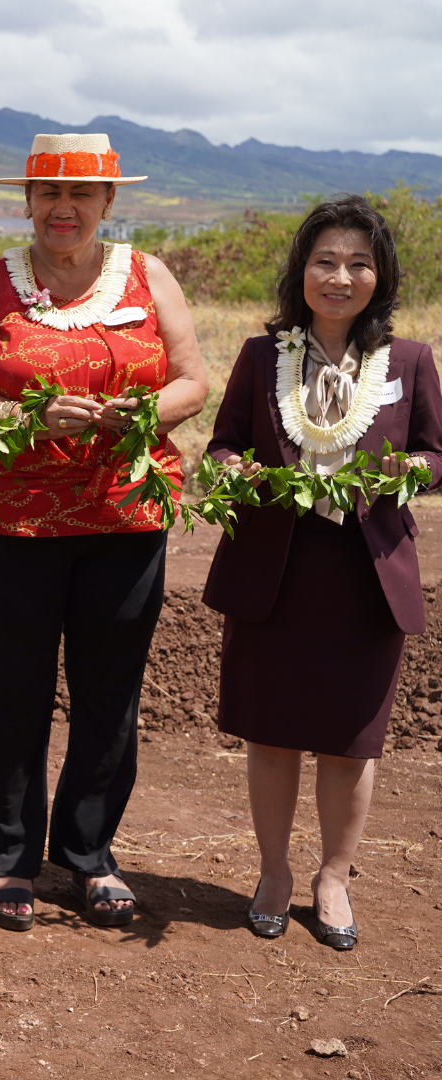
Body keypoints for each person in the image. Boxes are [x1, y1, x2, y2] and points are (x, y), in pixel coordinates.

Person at [0, 134, 206, 931]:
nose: (64, 208)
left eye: (82, 193)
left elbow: (192, 380)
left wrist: (143, 413)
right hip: (14, 519)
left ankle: (89, 854)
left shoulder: (148, 275)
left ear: (108, 201)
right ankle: (9, 860)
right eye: (49, 192)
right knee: (16, 691)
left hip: (125, 515)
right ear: (27, 201)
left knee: (110, 692)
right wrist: (27, 417)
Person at [203, 195, 441, 950]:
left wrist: (412, 470)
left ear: (382, 276)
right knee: (271, 734)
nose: (340, 278)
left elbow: (438, 453)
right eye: (325, 261)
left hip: (366, 579)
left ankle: (333, 877)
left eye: (359, 264)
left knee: (349, 741)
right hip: (275, 574)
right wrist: (232, 468)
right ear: (301, 271)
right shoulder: (259, 356)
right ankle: (273, 873)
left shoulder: (409, 360)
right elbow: (224, 443)